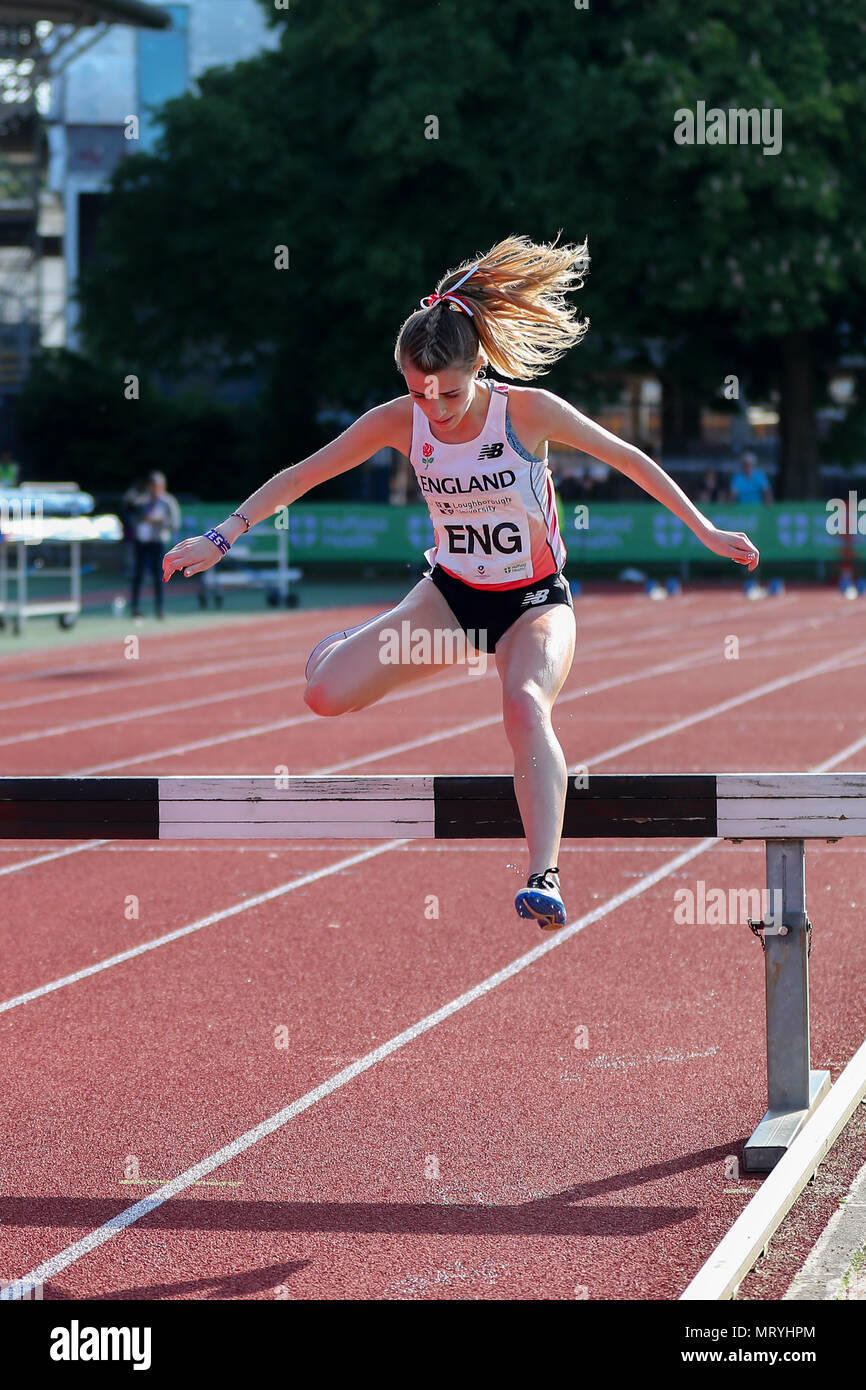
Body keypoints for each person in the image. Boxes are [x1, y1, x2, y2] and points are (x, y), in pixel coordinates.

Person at [163, 234, 760, 930]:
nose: (436, 407)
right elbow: (303, 474)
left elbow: (628, 458)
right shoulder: (400, 421)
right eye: (419, 391)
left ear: (478, 369)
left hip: (534, 602)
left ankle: (544, 873)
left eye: (448, 391)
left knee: (524, 705)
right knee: (324, 695)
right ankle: (343, 644)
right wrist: (221, 536)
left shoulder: (527, 413)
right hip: (450, 600)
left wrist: (706, 531)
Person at [129, 471, 180, 619]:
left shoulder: (168, 502)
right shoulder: (141, 501)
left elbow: (175, 524)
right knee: (138, 575)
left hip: (158, 542)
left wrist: (159, 522)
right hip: (142, 541)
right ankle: (135, 608)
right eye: (151, 486)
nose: (153, 489)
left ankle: (160, 609)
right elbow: (133, 518)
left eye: (156, 486)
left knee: (159, 575)